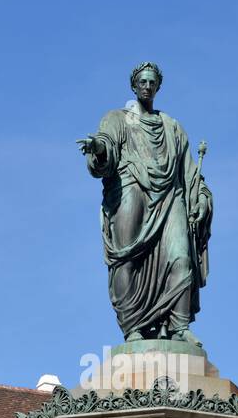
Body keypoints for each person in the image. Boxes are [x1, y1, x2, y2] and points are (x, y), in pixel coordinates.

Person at [76, 61, 213, 345]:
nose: (147, 86)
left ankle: (179, 326)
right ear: (133, 85)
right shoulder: (116, 118)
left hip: (171, 196)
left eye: (152, 82)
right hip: (131, 187)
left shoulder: (172, 127)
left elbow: (189, 173)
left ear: (158, 86)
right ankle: (132, 325)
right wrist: (98, 148)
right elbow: (107, 144)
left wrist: (199, 197)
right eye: (143, 81)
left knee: (182, 257)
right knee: (125, 257)